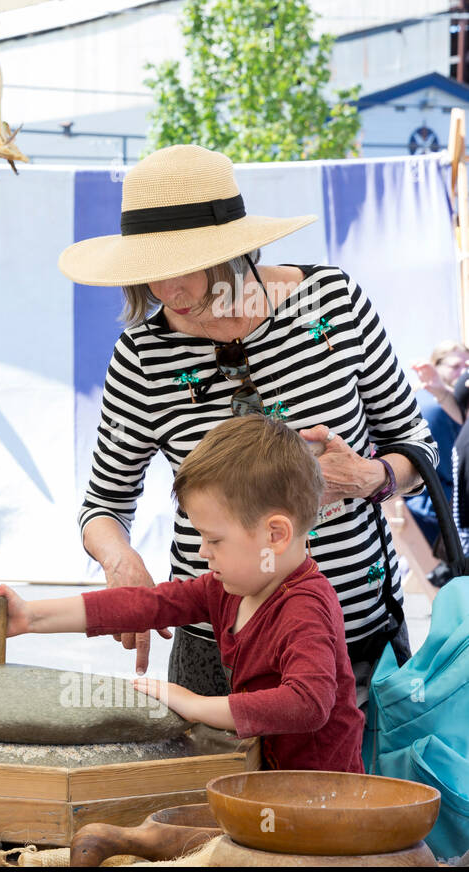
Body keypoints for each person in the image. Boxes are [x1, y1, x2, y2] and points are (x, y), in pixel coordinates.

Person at [59, 144, 436, 708]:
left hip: (355, 640)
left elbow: (415, 448)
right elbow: (102, 507)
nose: (165, 293)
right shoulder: (141, 356)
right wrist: (120, 560)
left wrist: (367, 476)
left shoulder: (333, 303)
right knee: (217, 797)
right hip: (218, 650)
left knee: (349, 793)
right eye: (148, 275)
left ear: (232, 250)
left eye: (180, 269)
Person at [0, 416, 365, 772]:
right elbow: (147, 603)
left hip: (323, 798)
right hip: (269, 781)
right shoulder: (228, 588)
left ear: (275, 535)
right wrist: (30, 616)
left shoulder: (304, 607)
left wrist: (194, 704)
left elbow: (308, 703)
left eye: (214, 538)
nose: (202, 551)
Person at [406, 340, 469, 552]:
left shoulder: (440, 402)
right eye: (456, 366)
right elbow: (454, 472)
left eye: (467, 366)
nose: (463, 372)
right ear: (436, 366)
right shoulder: (434, 410)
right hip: (436, 514)